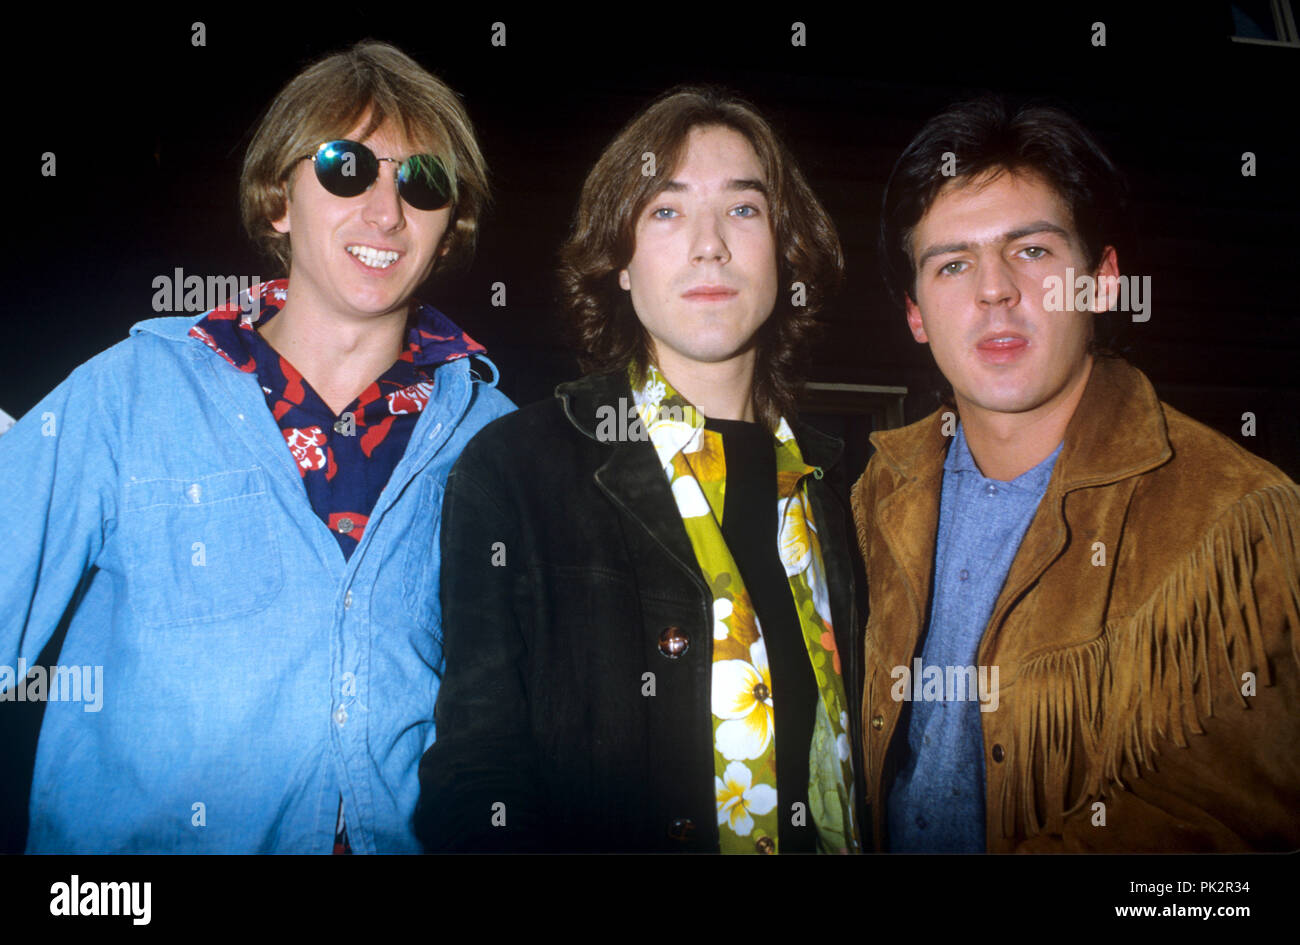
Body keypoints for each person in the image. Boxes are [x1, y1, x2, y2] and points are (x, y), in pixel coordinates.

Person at [0, 40, 512, 852]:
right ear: (280, 199)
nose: (386, 210)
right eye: (347, 167)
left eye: (423, 182)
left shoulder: (495, 437)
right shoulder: (133, 391)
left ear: (449, 227)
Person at [417, 87, 861, 854]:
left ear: (787, 248)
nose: (709, 244)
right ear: (618, 261)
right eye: (666, 210)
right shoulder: (518, 469)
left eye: (744, 209)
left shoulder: (845, 483)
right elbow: (475, 770)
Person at [854, 95, 1300, 853]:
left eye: (1031, 251)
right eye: (953, 263)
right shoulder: (871, 493)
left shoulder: (1241, 518)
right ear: (916, 314)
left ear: (1102, 282)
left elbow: (1228, 843)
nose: (993, 289)